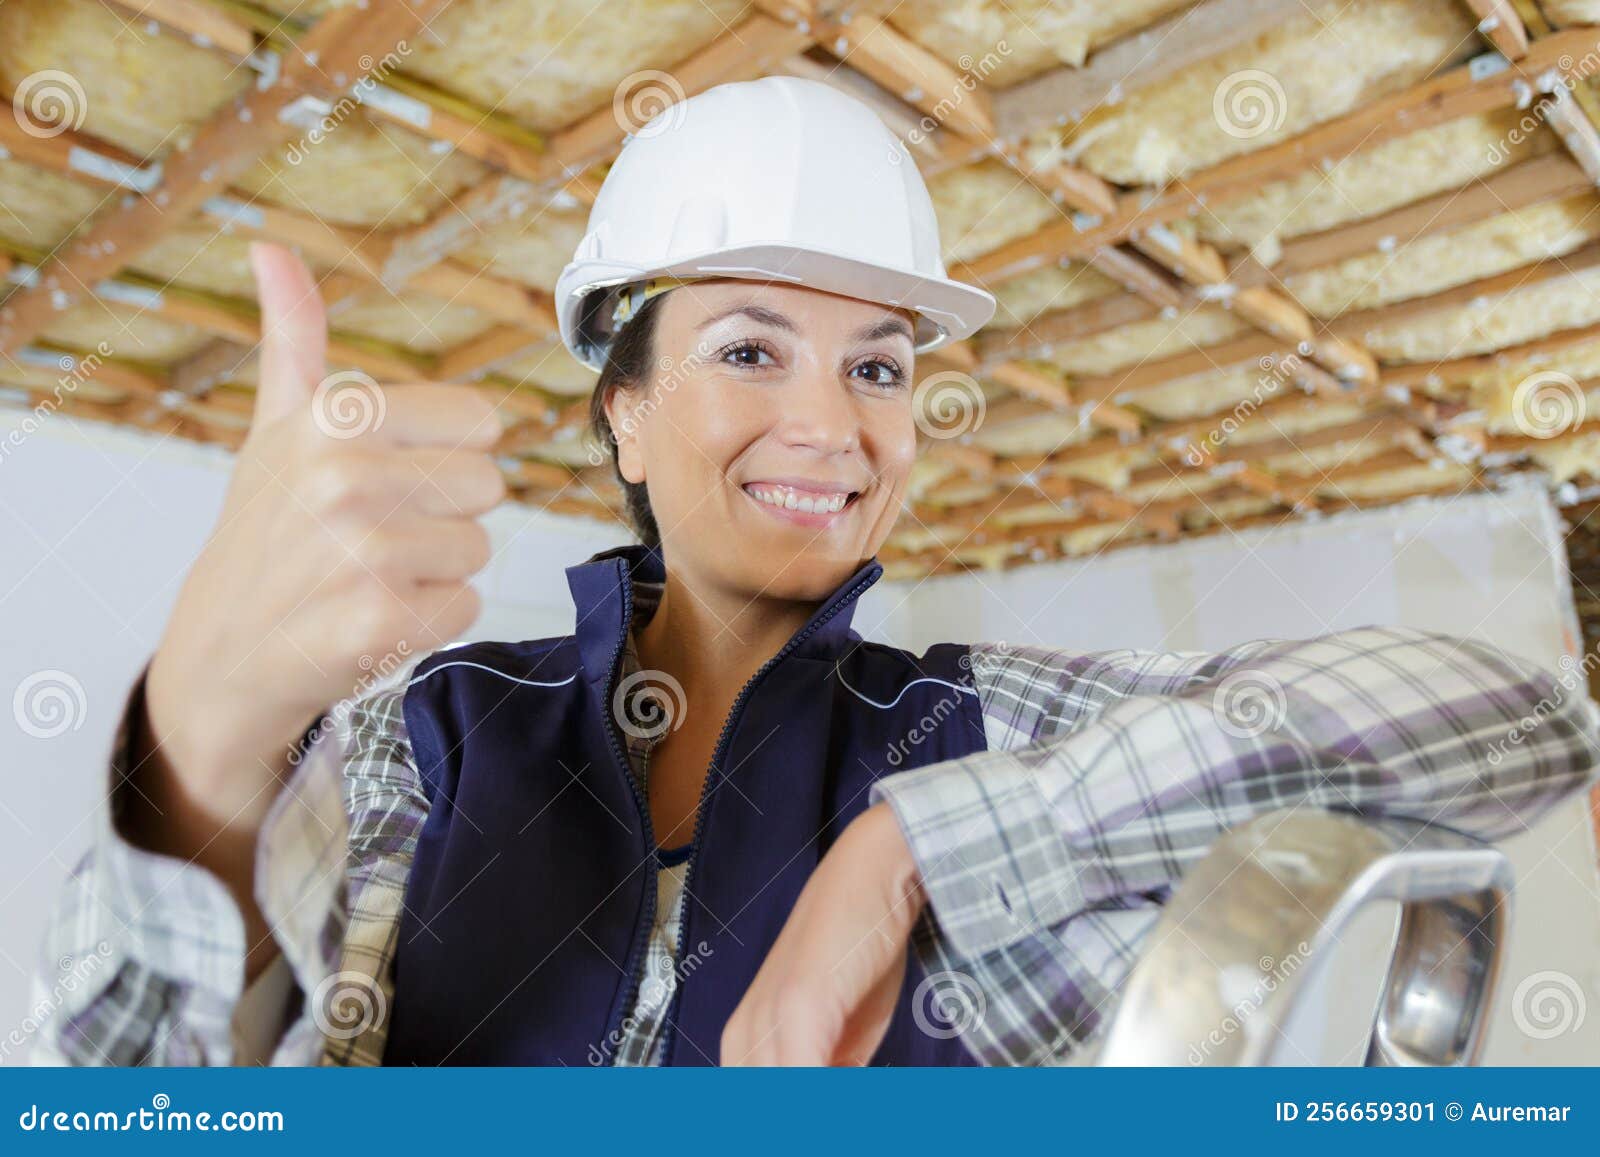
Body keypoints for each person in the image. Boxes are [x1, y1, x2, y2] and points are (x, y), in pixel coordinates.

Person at [32, 76, 1600, 1068]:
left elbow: (1516, 721)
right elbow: (128, 1094)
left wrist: (917, 847)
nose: (829, 424)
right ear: (624, 411)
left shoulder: (988, 727)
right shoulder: (428, 736)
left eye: (880, 365)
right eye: (749, 348)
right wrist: (205, 728)